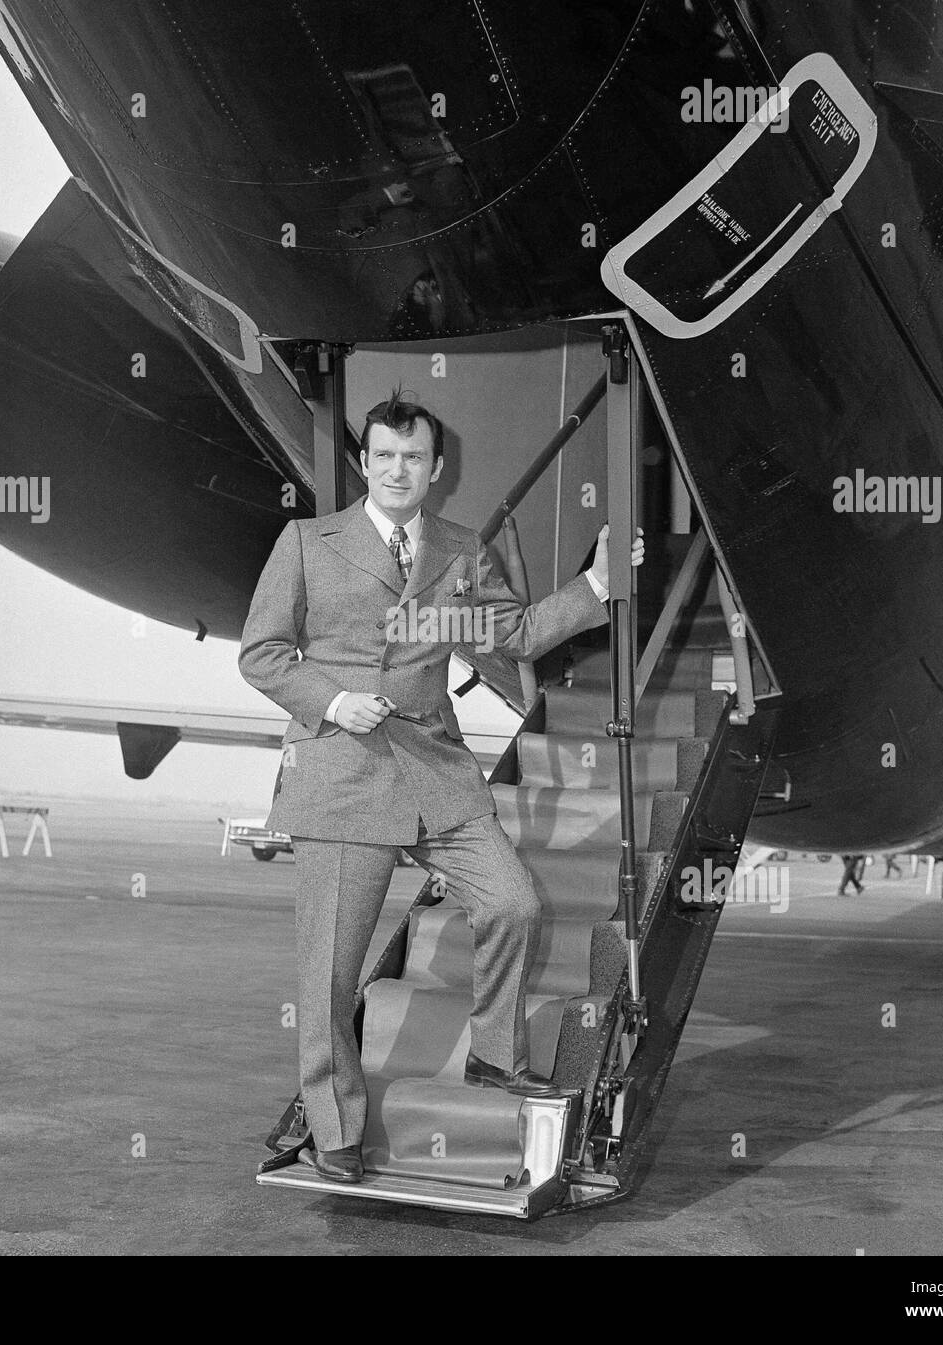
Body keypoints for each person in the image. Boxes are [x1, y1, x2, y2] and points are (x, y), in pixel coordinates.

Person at [238, 389, 644, 1184]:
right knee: (328, 973)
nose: (398, 469)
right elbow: (263, 654)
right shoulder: (308, 543)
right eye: (383, 455)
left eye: (413, 457)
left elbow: (513, 634)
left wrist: (594, 586)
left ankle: (496, 1057)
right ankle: (337, 1128)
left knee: (512, 901)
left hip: (432, 772)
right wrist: (335, 702)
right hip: (342, 775)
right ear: (365, 462)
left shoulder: (458, 552)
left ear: (436, 466)